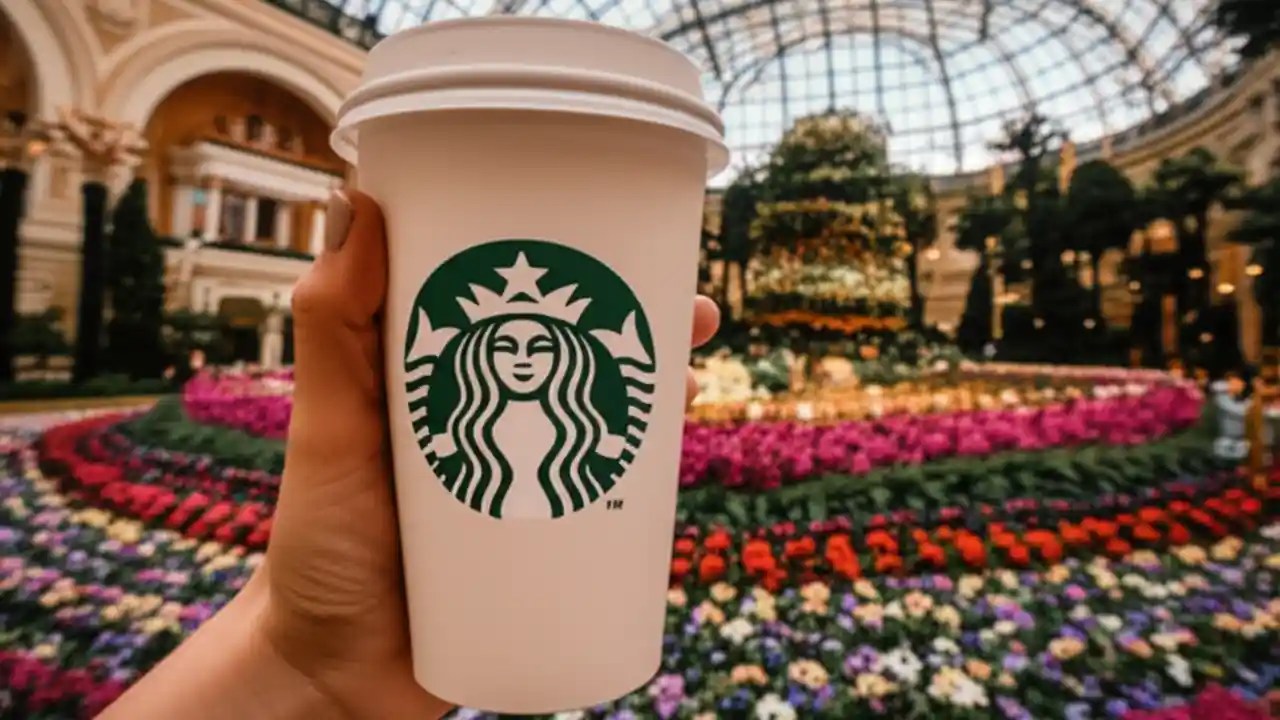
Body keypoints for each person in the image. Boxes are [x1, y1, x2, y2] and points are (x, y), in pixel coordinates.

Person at [99, 190, 721, 719]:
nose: (525, 360)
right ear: (479, 356)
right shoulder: (468, 437)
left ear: (571, 355)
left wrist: (308, 672)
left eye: (543, 346)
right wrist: (305, 666)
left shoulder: (585, 440)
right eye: (506, 346)